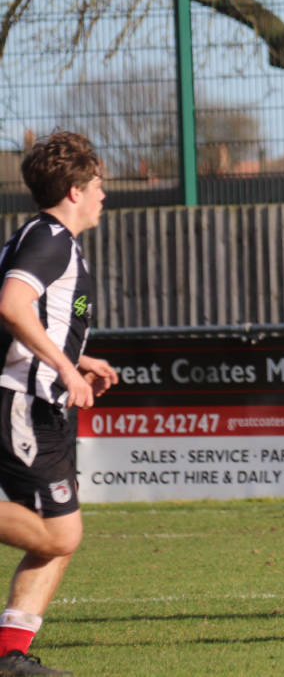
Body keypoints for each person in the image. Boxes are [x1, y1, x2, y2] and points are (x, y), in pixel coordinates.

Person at [0, 132, 118, 676]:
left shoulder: (42, 238)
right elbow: (12, 305)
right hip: (21, 400)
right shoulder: (50, 239)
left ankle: (10, 655)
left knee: (58, 533)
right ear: (75, 191)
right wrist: (66, 369)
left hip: (37, 400)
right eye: (97, 184)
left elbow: (31, 316)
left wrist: (77, 358)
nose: (102, 194)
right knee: (61, 532)